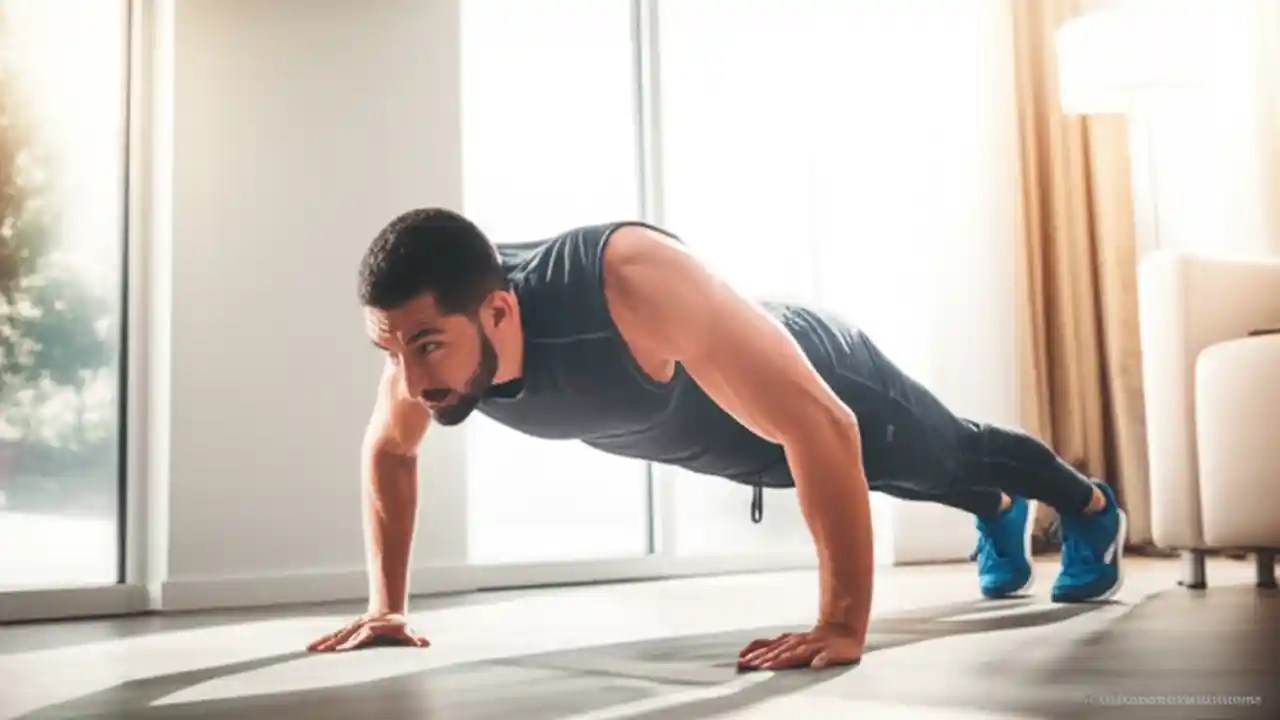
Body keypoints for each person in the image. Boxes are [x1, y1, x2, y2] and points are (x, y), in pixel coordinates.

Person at [306, 208, 1127, 671]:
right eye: (391, 351)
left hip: (817, 380)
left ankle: (1089, 507)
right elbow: (391, 451)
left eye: (422, 348)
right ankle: (995, 510)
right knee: (901, 477)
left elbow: (822, 424)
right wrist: (386, 606)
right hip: (738, 444)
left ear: (497, 311)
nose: (410, 381)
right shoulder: (432, 340)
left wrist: (841, 624)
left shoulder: (624, 279)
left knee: (937, 451)